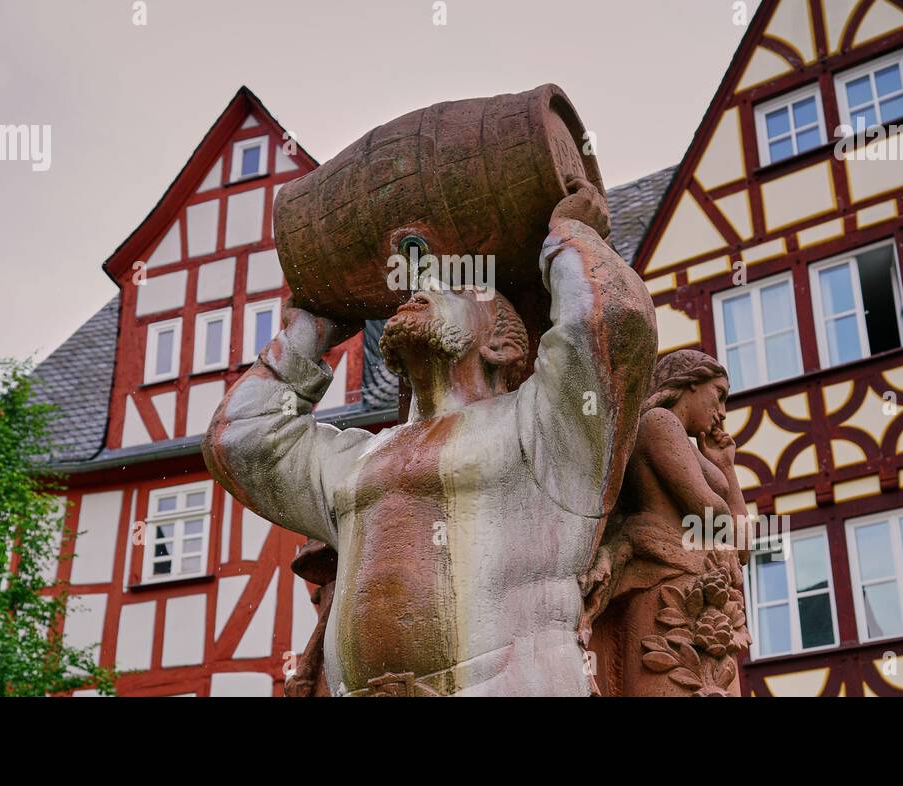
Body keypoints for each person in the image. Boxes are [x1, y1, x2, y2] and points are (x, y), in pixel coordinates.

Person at [202, 178, 656, 696]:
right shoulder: (361, 457)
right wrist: (310, 328)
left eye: (453, 289)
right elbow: (241, 439)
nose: (420, 291)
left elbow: (608, 323)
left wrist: (570, 236)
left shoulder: (546, 430)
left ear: (501, 343)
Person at [580, 349, 752, 696]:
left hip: (708, 596)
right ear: (688, 384)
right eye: (718, 395)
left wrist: (726, 467)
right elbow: (710, 512)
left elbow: (744, 545)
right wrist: (721, 511)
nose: (722, 413)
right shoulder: (658, 422)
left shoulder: (697, 452)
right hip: (668, 584)